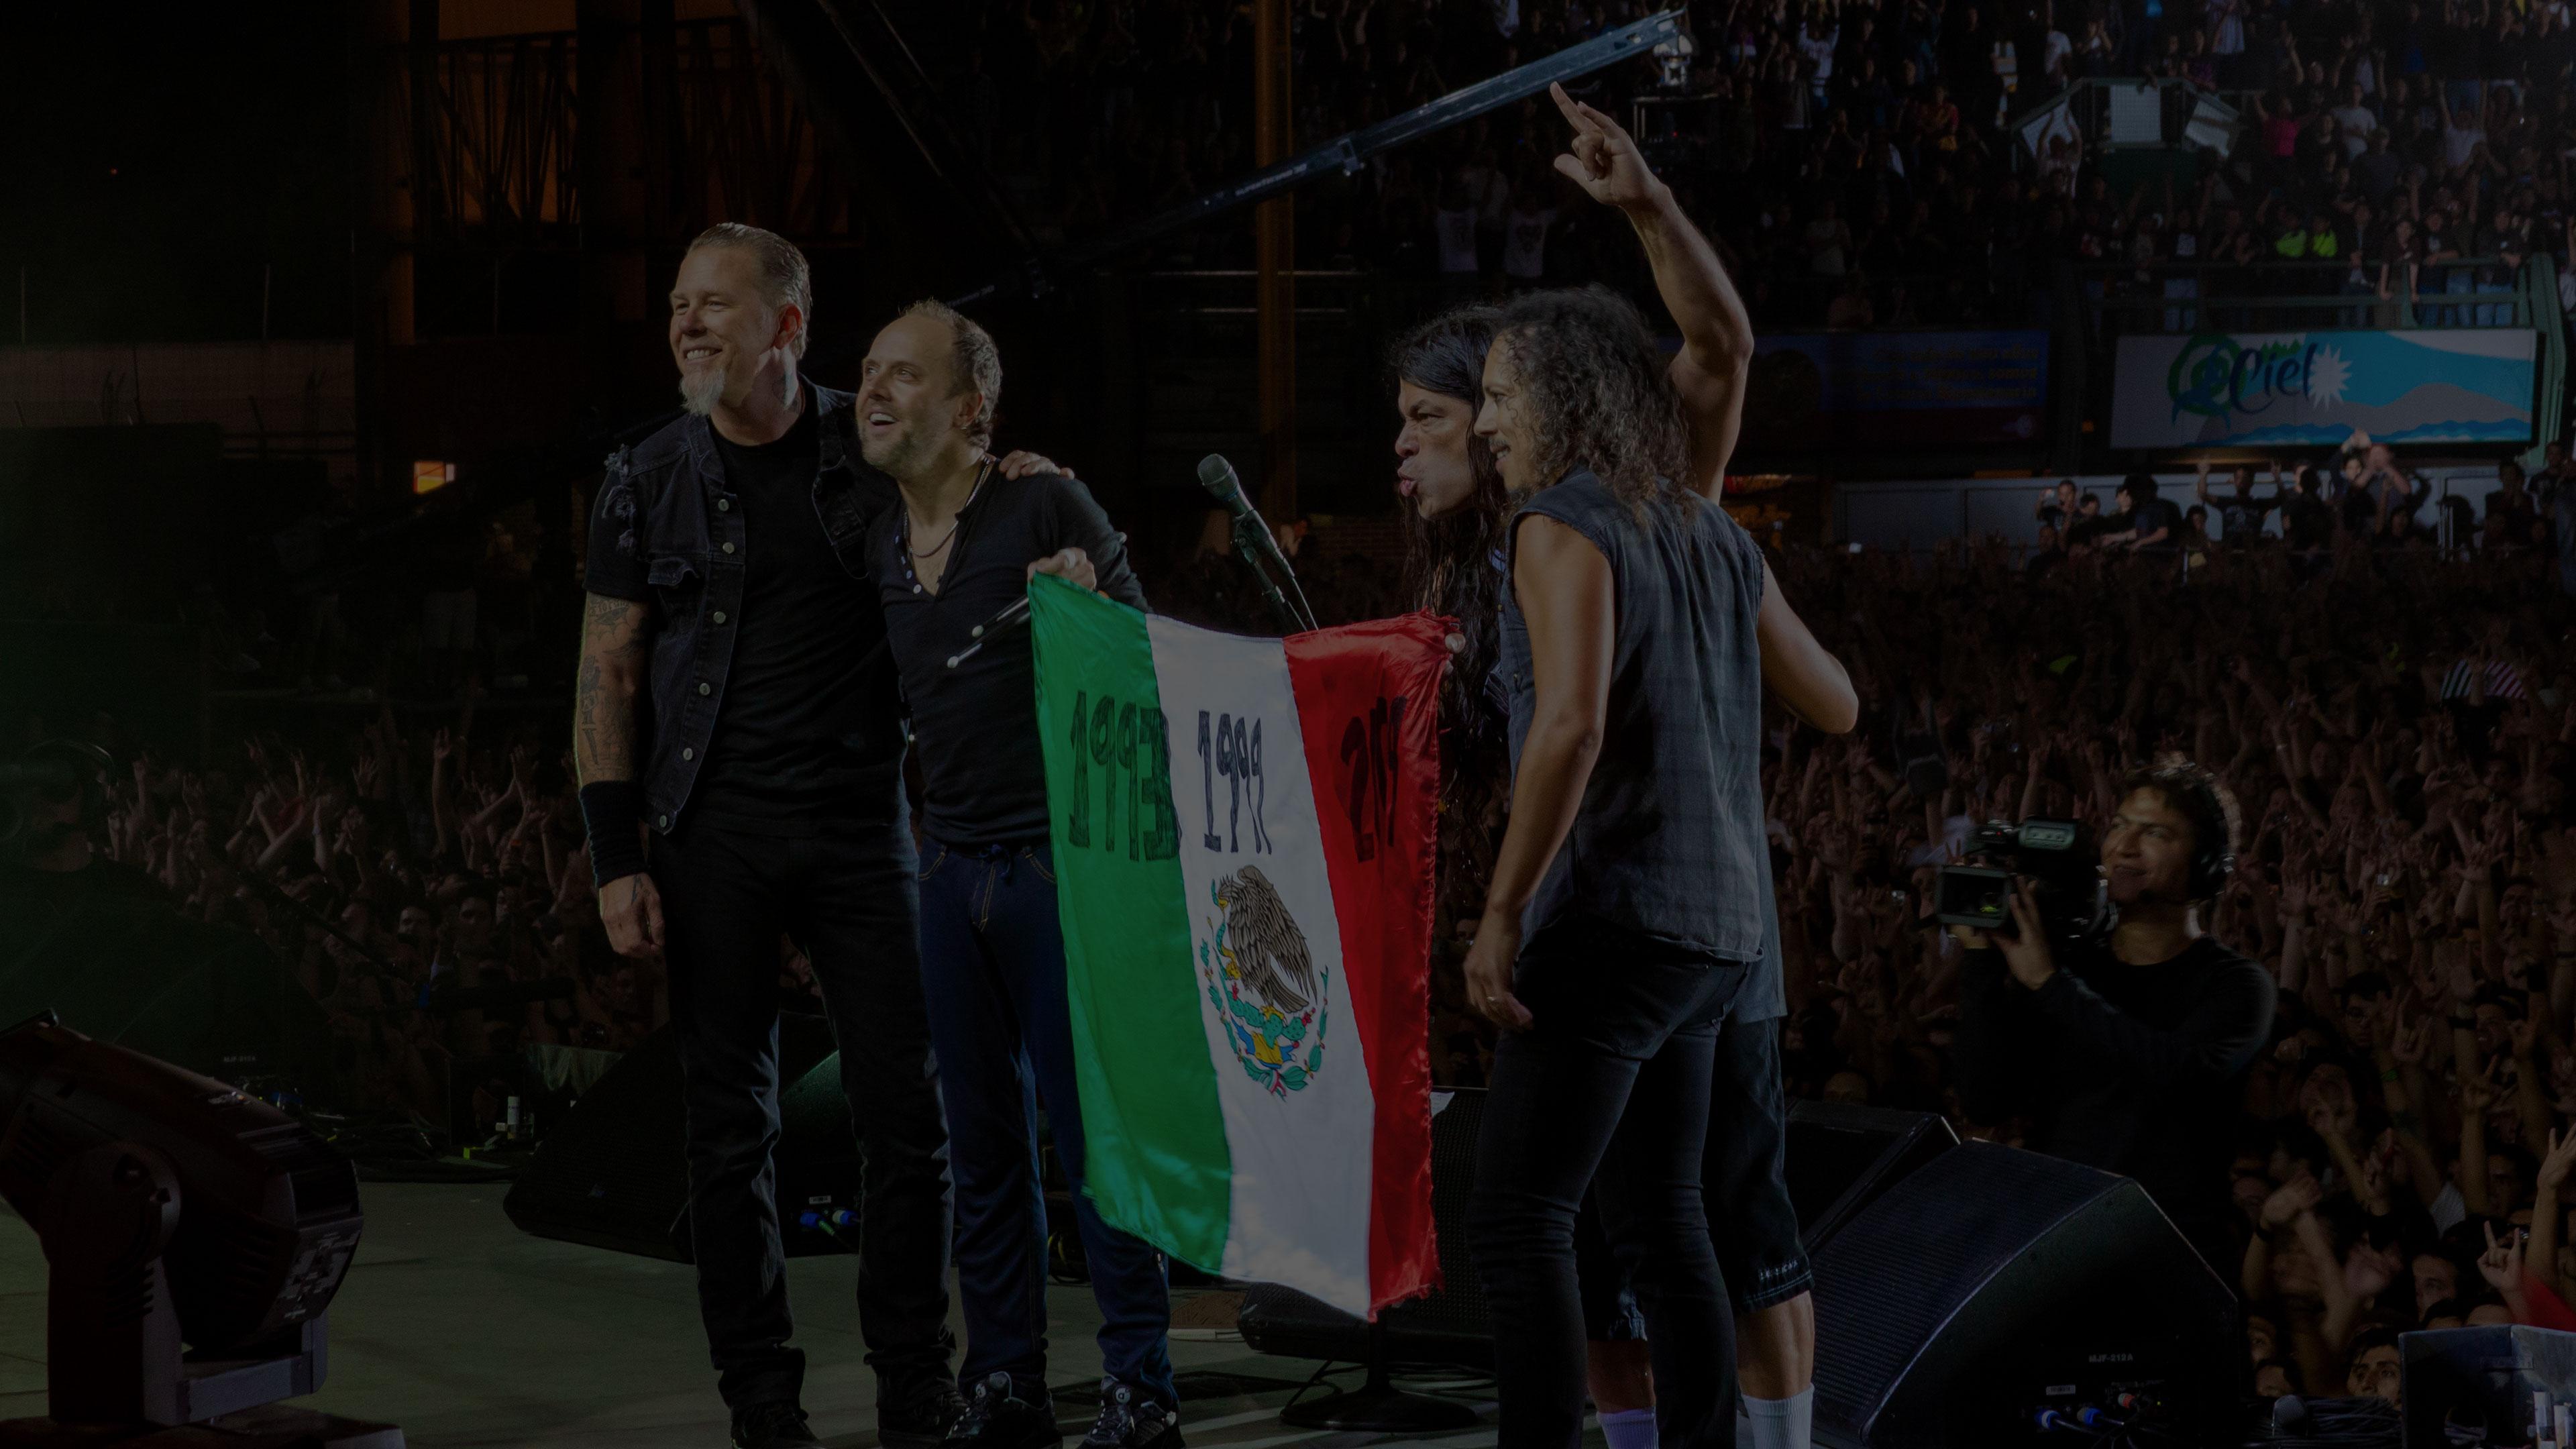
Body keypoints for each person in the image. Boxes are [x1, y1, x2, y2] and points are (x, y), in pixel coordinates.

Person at [1399, 85, 1856, 1449]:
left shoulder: (1568, 520)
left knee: (1520, 1213)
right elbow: (1836, 701)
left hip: (1613, 915)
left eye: (1495, 398)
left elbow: (1574, 726)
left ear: (1569, 396)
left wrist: (1494, 917)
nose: (1483, 425)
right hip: (1726, 937)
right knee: (1666, 1221)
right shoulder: (1710, 532)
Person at [575, 223, 962, 1449]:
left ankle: (918, 1390)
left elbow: (982, 526)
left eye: (716, 306)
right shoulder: (642, 474)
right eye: (678, 304)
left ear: (789, 328)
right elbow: (608, 673)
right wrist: (616, 856)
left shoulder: (876, 445)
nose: (687, 324)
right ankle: (762, 1406)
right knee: (726, 1127)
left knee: (909, 1117)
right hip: (710, 835)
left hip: (859, 825)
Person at [853, 299, 1178, 1449]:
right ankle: (1007, 1384)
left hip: (1060, 879)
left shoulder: (1044, 502)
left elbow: (1147, 662)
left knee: (1096, 1152)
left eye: (904, 375)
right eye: (868, 372)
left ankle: (1140, 1386)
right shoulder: (875, 539)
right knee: (983, 1153)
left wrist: (1093, 611)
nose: (875, 391)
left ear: (970, 407)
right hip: (948, 878)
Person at [1951, 759, 2277, 1278]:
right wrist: (1983, 958)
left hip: (2173, 1262)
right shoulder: (2068, 967)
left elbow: (2178, 1075)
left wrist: (2051, 986)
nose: (2125, 846)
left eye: (2154, 833)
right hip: (2061, 1250)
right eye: (2120, 826)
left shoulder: (2237, 984)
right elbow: (1986, 1097)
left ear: (2207, 865)